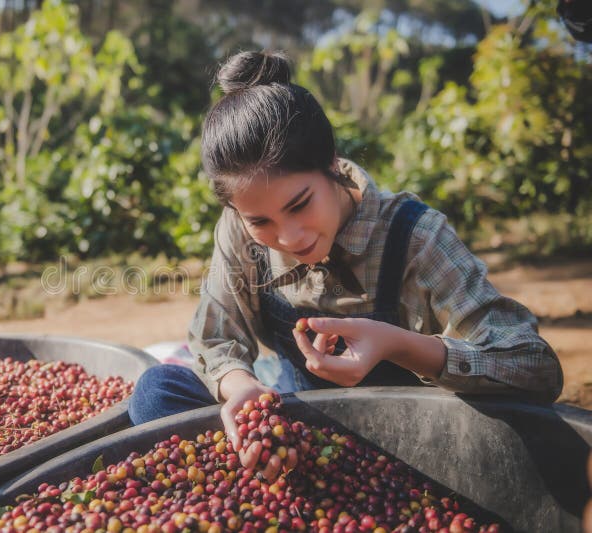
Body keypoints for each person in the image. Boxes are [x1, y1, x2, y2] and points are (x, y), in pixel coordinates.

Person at [128, 50, 564, 479]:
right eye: (261, 221)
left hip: (415, 447)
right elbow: (214, 338)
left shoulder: (416, 236)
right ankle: (268, 481)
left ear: (332, 165)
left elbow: (532, 365)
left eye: (300, 205)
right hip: (299, 438)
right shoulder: (238, 230)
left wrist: (398, 344)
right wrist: (240, 389)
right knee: (156, 393)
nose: (290, 237)